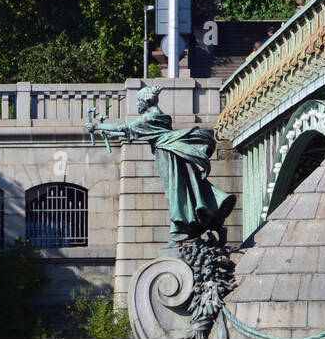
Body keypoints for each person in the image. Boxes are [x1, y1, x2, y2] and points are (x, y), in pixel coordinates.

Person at [88, 86, 235, 244]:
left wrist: (97, 127)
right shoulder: (158, 116)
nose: (137, 104)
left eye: (138, 101)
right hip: (171, 153)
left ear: (146, 101)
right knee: (190, 190)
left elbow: (125, 127)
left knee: (176, 195)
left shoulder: (149, 119)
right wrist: (109, 133)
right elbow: (132, 132)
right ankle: (215, 225)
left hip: (168, 157)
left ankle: (178, 233)